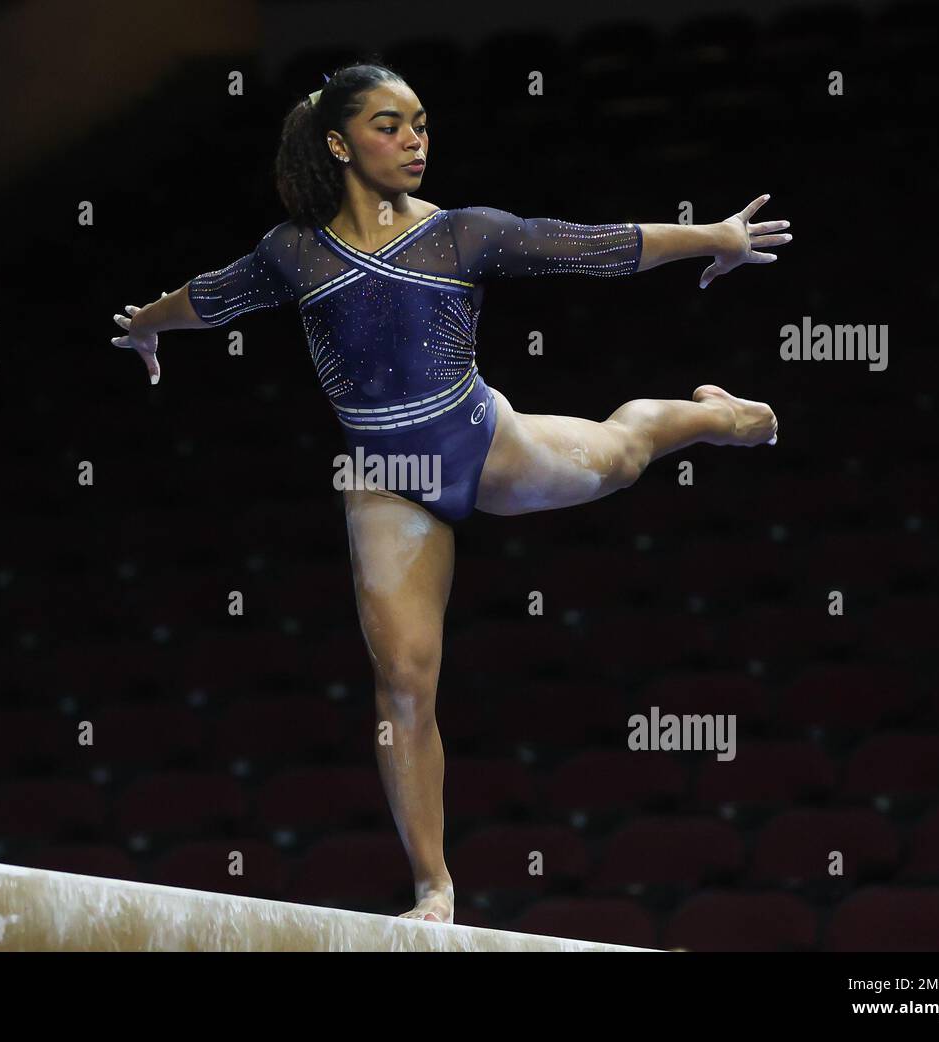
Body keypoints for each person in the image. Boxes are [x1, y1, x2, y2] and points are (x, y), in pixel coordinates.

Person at [111, 61, 790, 924]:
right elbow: (209, 299)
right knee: (402, 682)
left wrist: (716, 238)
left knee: (621, 454)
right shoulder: (295, 253)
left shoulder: (461, 235)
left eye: (422, 124)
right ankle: (434, 886)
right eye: (390, 125)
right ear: (338, 141)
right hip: (386, 483)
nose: (414, 140)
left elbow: (594, 246)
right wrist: (143, 325)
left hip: (482, 445)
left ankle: (713, 418)